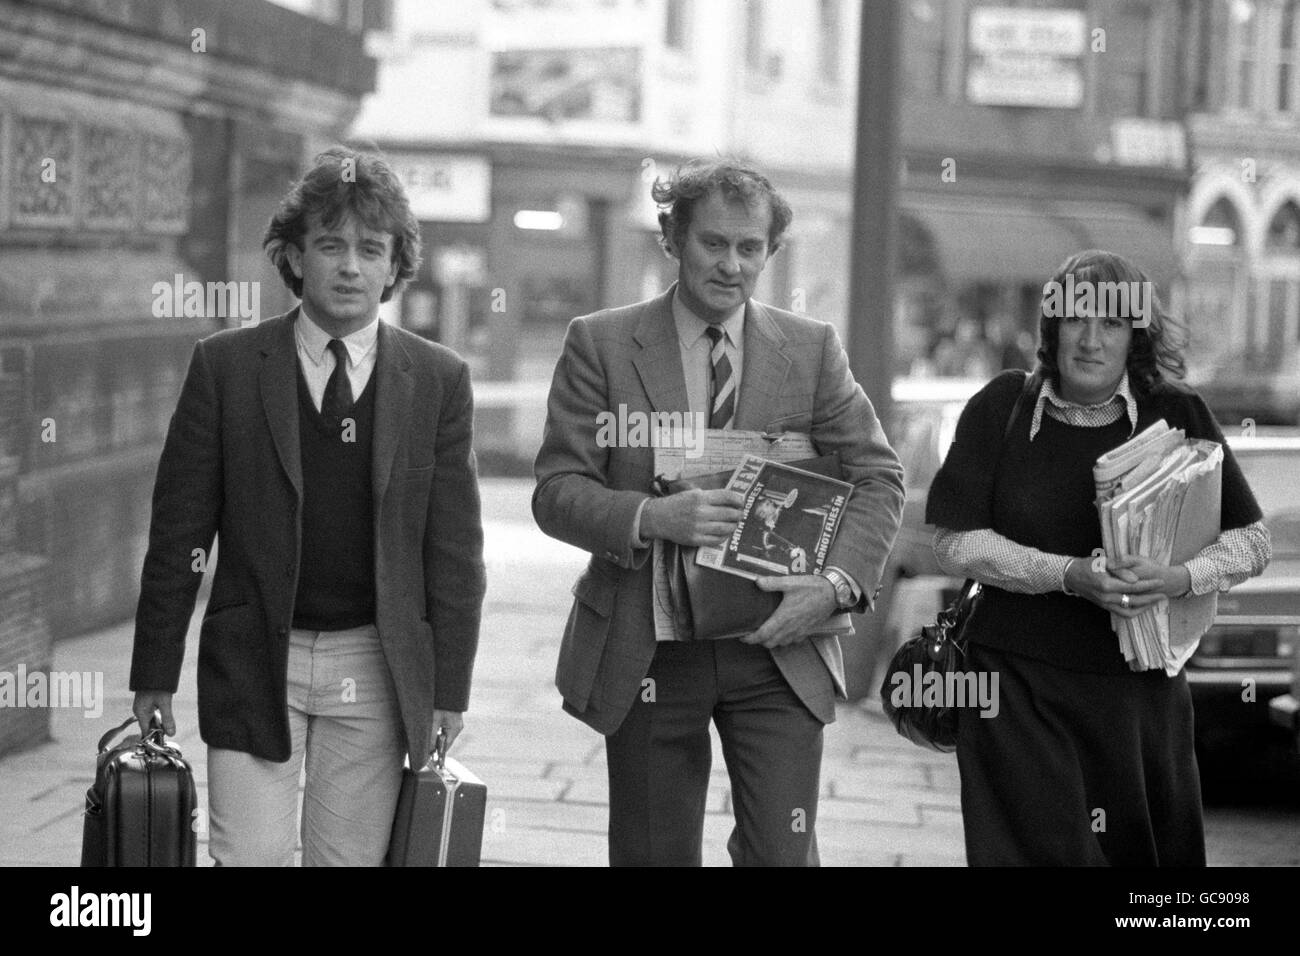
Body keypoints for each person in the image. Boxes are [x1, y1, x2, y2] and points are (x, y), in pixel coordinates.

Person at [533, 159, 905, 866]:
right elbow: (556, 491)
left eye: (750, 248)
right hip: (650, 646)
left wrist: (833, 587)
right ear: (673, 239)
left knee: (782, 854)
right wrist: (651, 518)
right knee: (653, 852)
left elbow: (879, 478)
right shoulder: (601, 343)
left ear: (769, 251)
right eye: (713, 243)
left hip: (778, 645)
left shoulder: (812, 349)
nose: (731, 265)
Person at [129, 147, 486, 866]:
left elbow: (453, 551)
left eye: (370, 249)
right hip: (256, 655)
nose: (349, 266)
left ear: (394, 266)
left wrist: (448, 689)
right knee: (249, 856)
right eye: (329, 245)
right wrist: (154, 670)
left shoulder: (438, 379)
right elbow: (179, 532)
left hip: (375, 666)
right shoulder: (226, 368)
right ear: (294, 257)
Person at [926, 249, 1271, 865]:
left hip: (1141, 701)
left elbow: (1251, 542)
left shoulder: (1178, 413)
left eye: (1111, 323)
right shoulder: (1001, 406)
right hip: (1015, 691)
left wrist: (1178, 577)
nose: (1090, 339)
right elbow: (954, 540)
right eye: (1077, 318)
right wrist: (1066, 576)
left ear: (1134, 336)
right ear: (1052, 326)